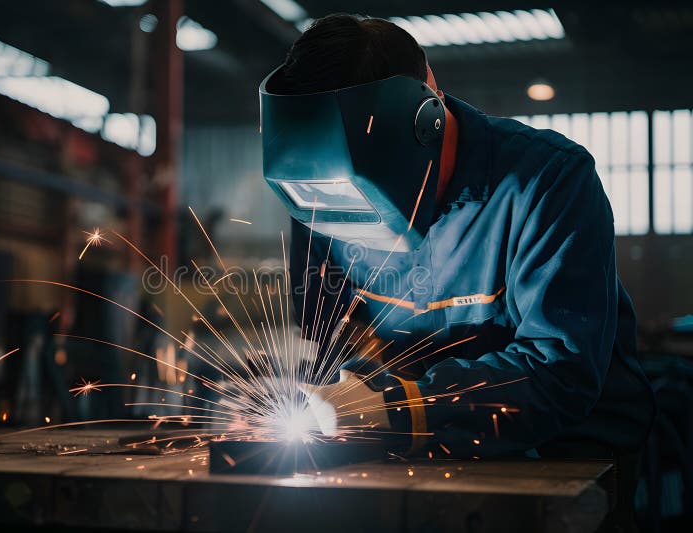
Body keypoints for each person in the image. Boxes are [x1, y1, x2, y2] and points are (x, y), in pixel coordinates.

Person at [259, 13, 654, 528]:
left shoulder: (546, 182)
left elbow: (561, 372)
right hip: (411, 460)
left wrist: (400, 408)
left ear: (427, 117)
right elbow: (331, 334)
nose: (343, 218)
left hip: (566, 460)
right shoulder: (317, 195)